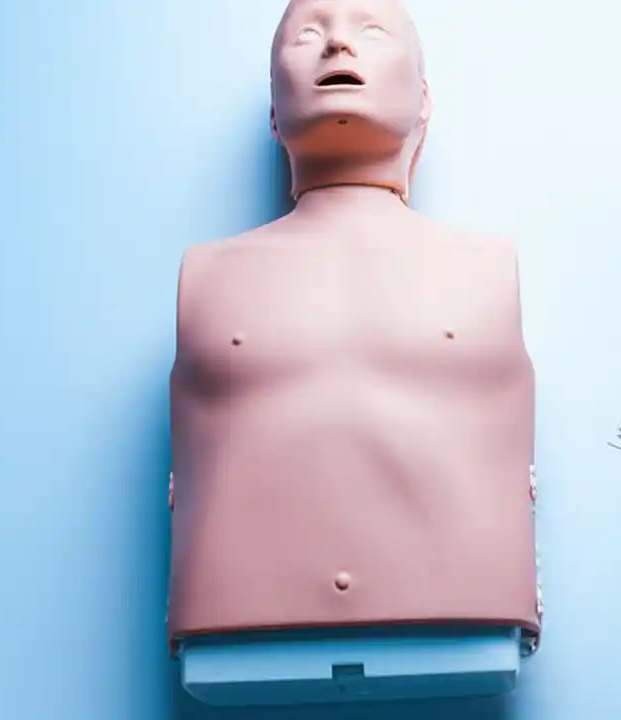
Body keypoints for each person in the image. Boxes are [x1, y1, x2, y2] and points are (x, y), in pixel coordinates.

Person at [166, 0, 541, 654]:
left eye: (371, 31)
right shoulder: (206, 273)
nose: (338, 47)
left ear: (425, 100)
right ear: (273, 113)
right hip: (231, 639)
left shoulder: (489, 265)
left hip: (468, 622)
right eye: (308, 34)